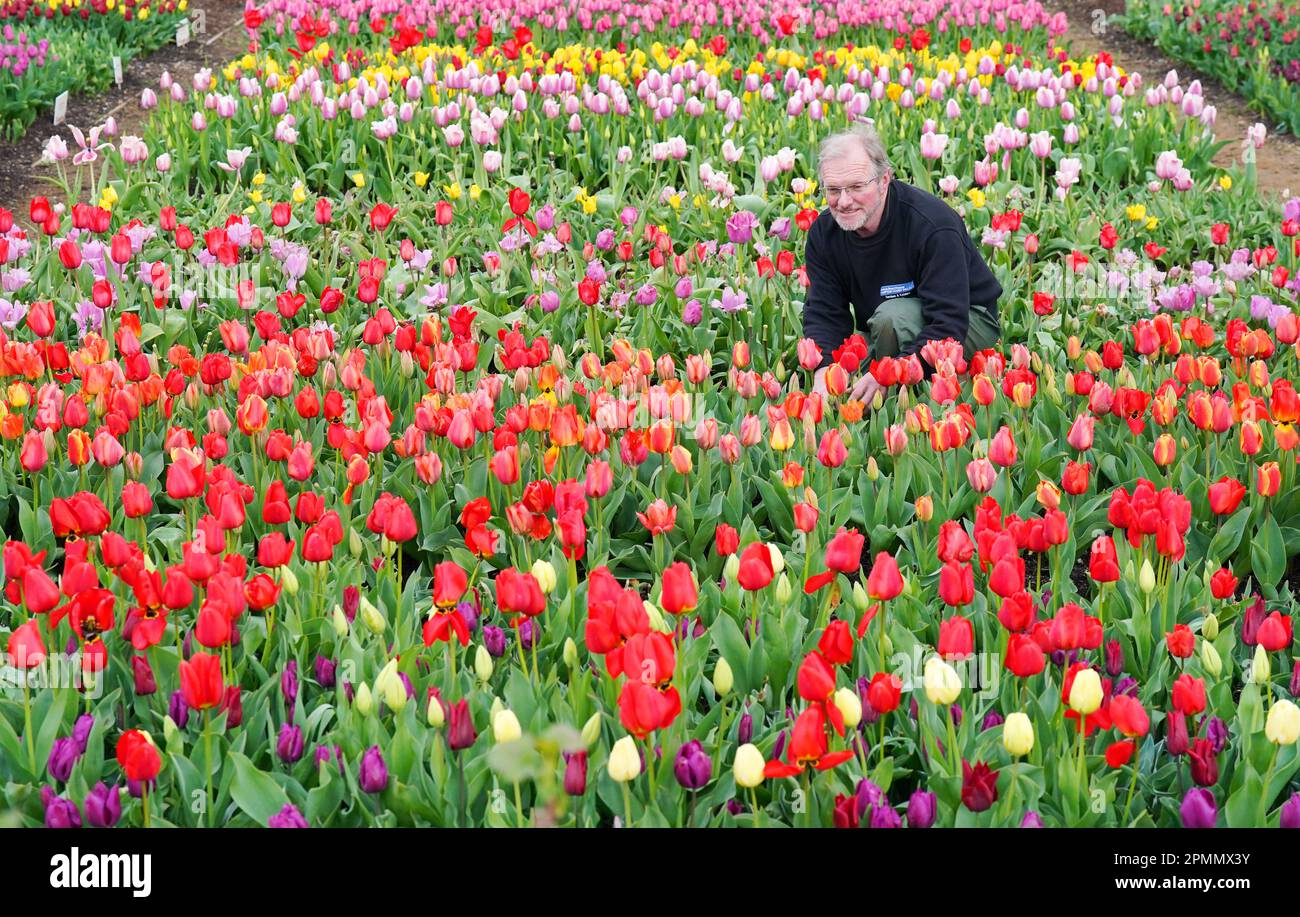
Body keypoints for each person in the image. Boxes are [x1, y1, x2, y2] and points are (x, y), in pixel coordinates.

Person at [802, 124, 1003, 405]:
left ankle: (912, 396)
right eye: (833, 190)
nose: (844, 202)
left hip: (969, 318)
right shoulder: (825, 233)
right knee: (885, 324)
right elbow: (824, 311)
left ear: (884, 180)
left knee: (891, 318)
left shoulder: (932, 225)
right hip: (897, 322)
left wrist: (889, 372)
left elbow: (949, 322)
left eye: (857, 187)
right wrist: (824, 371)